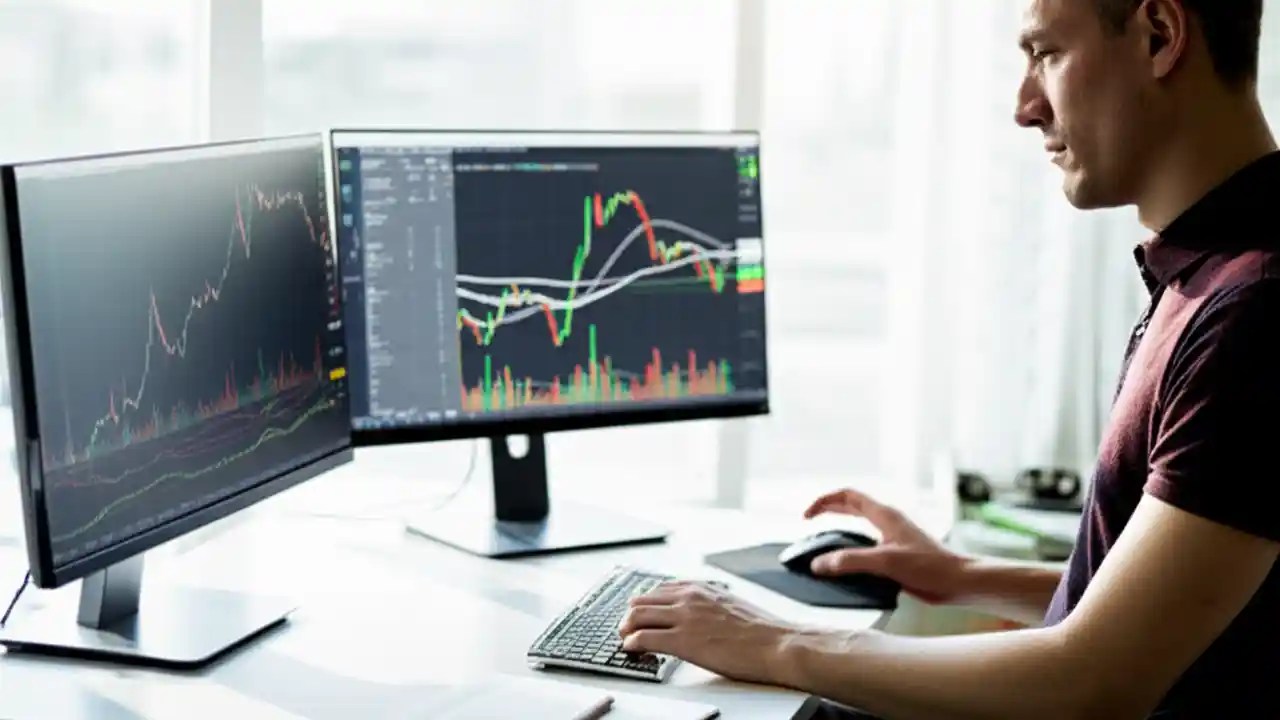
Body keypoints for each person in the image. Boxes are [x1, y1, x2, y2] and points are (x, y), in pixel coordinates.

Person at [619, 0, 1279, 717]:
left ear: (1158, 36)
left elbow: (1095, 679)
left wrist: (777, 642)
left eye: (1046, 55)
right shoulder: (1209, 276)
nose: (1025, 107)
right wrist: (955, 574)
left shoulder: (1253, 311)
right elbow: (1153, 617)